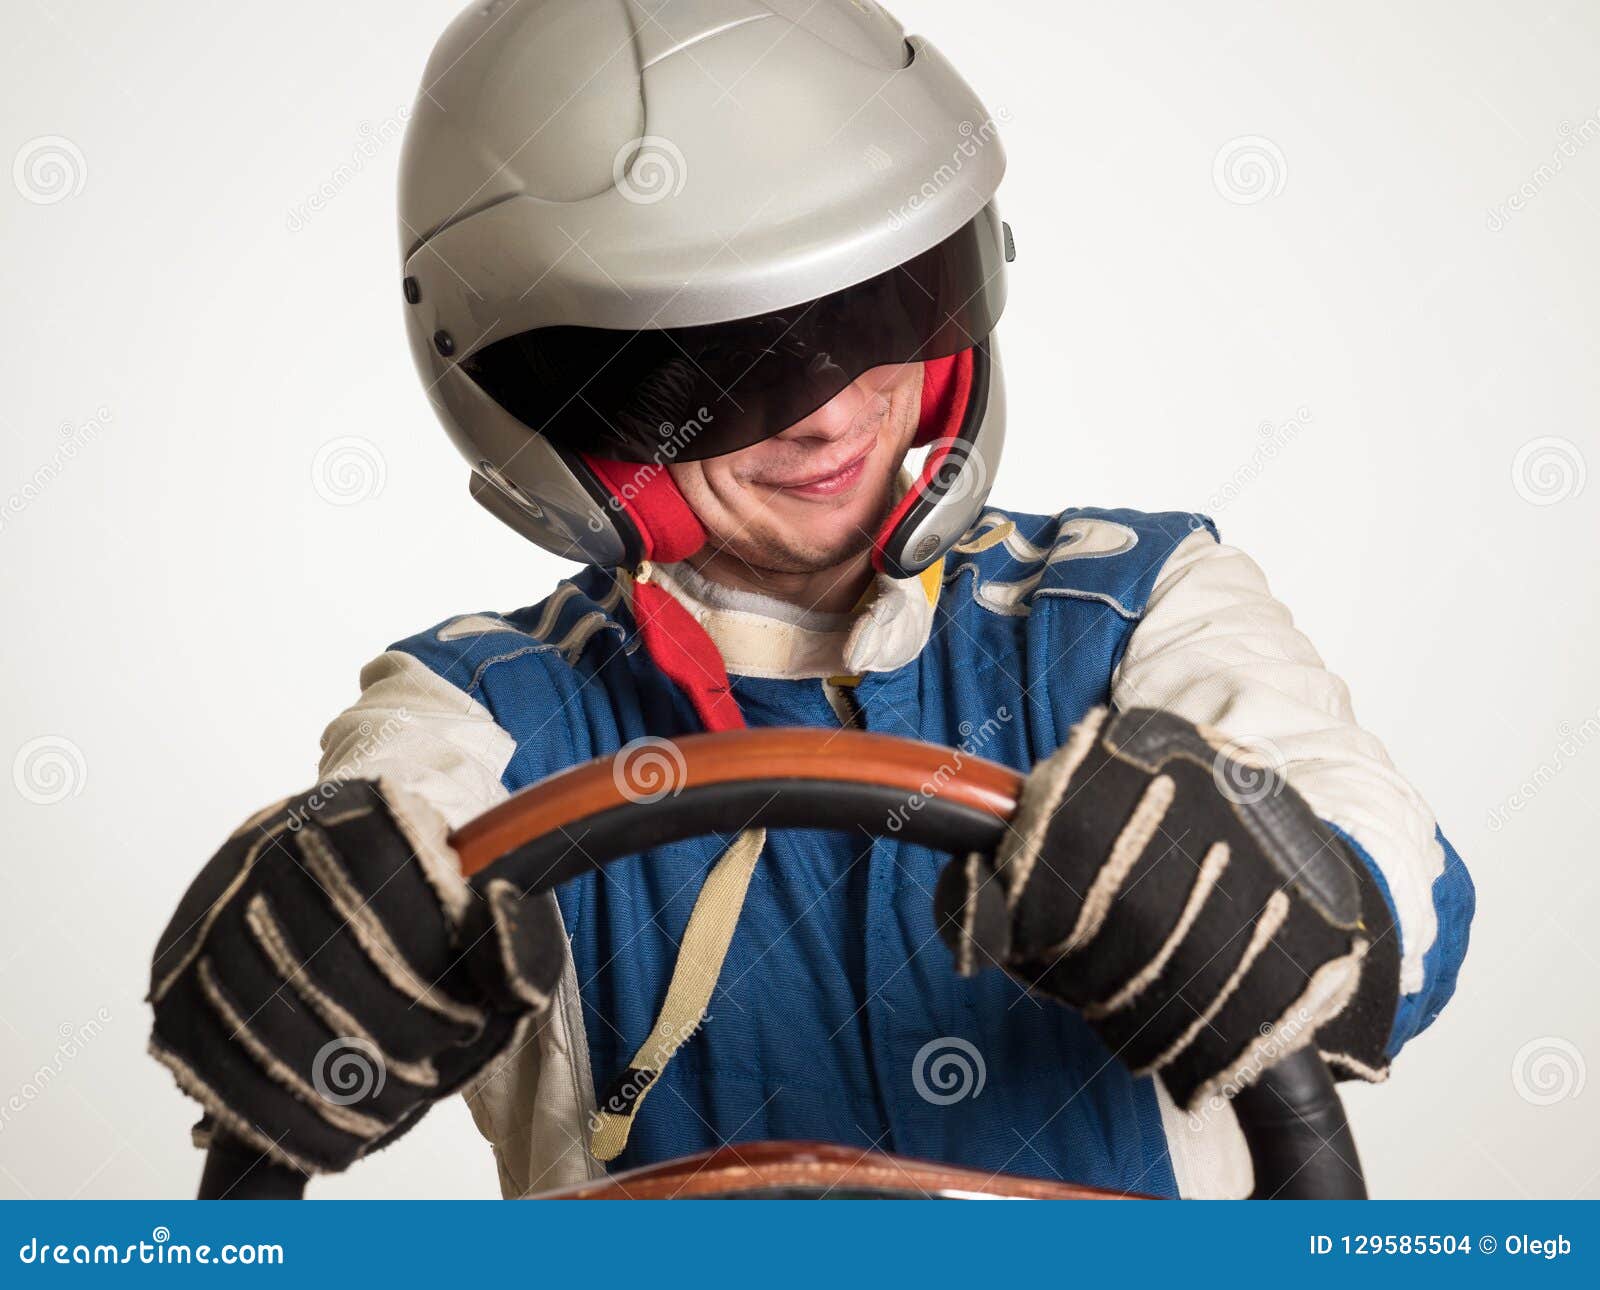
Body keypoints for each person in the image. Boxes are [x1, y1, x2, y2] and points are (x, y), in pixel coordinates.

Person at [148, 0, 1474, 1199]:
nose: (833, 411)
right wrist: (313, 927)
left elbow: (1387, 882)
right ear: (559, 403)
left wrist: (1303, 904)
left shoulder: (1133, 607)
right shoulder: (484, 706)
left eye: (872, 304)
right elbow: (391, 819)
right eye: (717, 367)